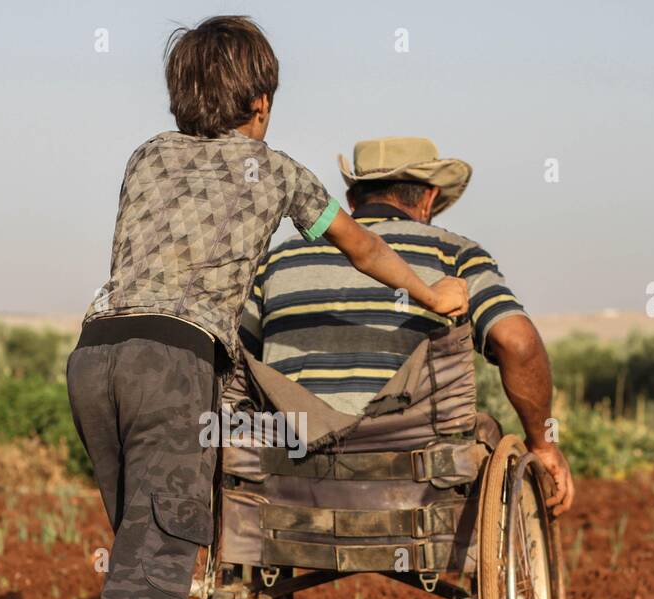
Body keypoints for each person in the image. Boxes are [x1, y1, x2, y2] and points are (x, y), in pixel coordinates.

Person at [65, 18, 469, 599]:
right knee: (158, 554)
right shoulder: (277, 172)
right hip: (173, 364)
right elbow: (361, 248)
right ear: (261, 104)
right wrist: (433, 293)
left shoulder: (145, 156)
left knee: (143, 548)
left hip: (97, 353)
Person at [242, 135, 576, 513]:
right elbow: (517, 341)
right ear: (429, 199)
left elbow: (237, 364)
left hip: (289, 486)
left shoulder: (277, 262)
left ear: (352, 200)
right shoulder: (455, 255)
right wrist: (543, 445)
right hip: (422, 486)